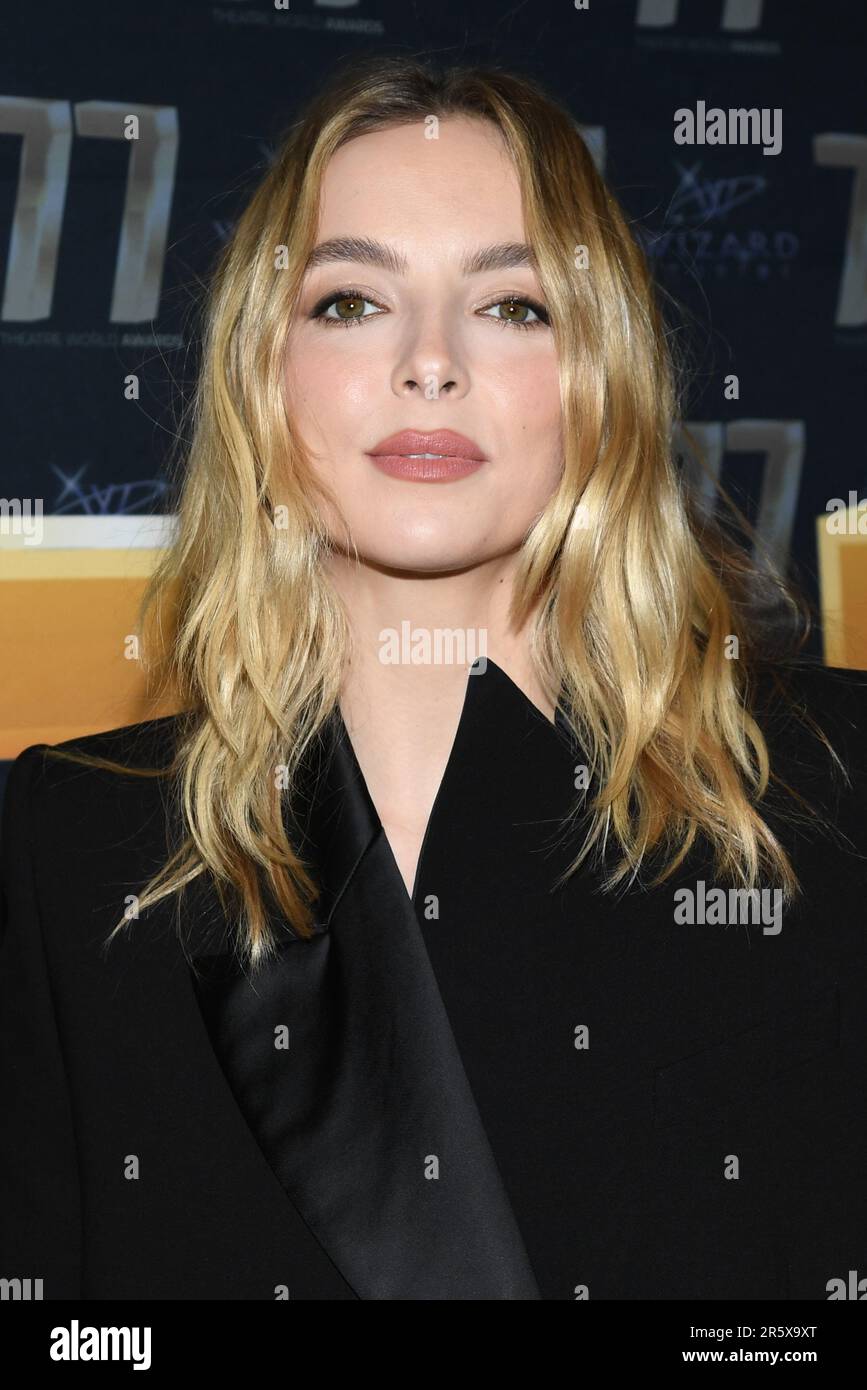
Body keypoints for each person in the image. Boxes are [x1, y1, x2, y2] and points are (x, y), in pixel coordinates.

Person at [1, 53, 866, 1302]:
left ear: (601, 376)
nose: (429, 363)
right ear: (262, 369)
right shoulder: (78, 845)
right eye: (351, 300)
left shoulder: (828, 791)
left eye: (513, 305)